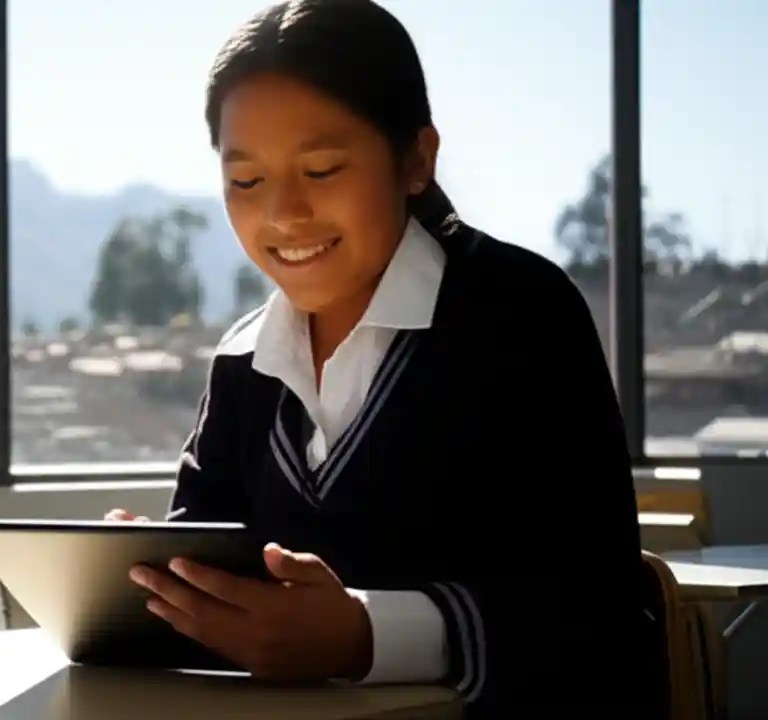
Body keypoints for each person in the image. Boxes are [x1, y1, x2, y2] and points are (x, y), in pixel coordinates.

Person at [106, 0, 655, 715]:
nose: (284, 215)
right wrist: (149, 579)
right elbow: (208, 562)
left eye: (324, 169)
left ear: (416, 159)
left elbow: (596, 604)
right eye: (246, 182)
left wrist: (367, 637)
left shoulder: (519, 313)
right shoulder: (242, 360)